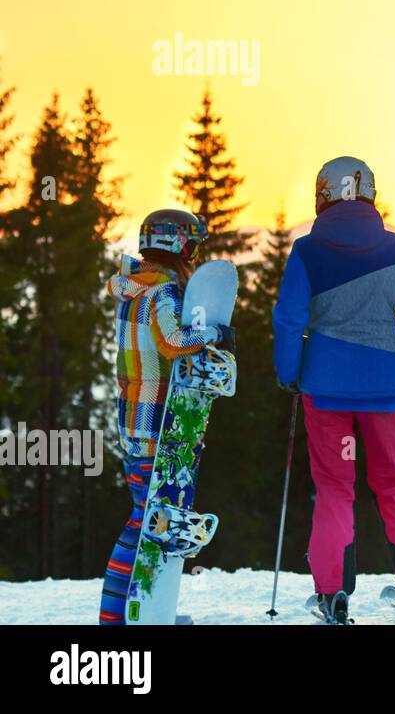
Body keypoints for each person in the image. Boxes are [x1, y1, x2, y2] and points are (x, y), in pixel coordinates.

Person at [273, 156, 395, 623]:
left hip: (325, 390)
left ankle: (333, 592)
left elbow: (289, 319)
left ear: (322, 193)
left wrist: (289, 372)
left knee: (335, 487)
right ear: (370, 193)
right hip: (385, 388)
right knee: (394, 483)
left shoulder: (308, 250)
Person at [99, 209, 234, 625]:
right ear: (177, 245)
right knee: (145, 523)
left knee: (143, 520)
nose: (195, 254)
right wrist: (213, 335)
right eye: (192, 245)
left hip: (133, 421)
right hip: (157, 424)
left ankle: (124, 614)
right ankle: (120, 617)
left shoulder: (133, 289)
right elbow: (173, 342)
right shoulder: (162, 293)